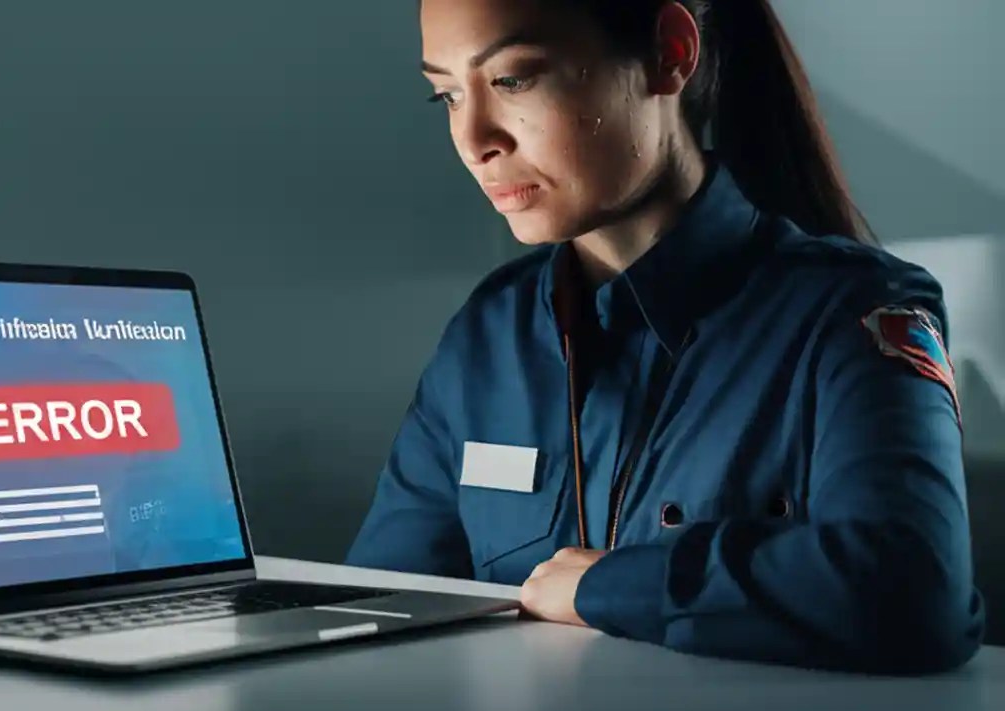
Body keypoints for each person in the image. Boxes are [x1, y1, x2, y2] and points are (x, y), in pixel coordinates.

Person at [344, 0, 984, 674]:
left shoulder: (851, 311)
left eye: (513, 79)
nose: (475, 139)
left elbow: (913, 592)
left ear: (670, 54)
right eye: (445, 94)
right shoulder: (486, 338)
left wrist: (604, 587)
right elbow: (384, 607)